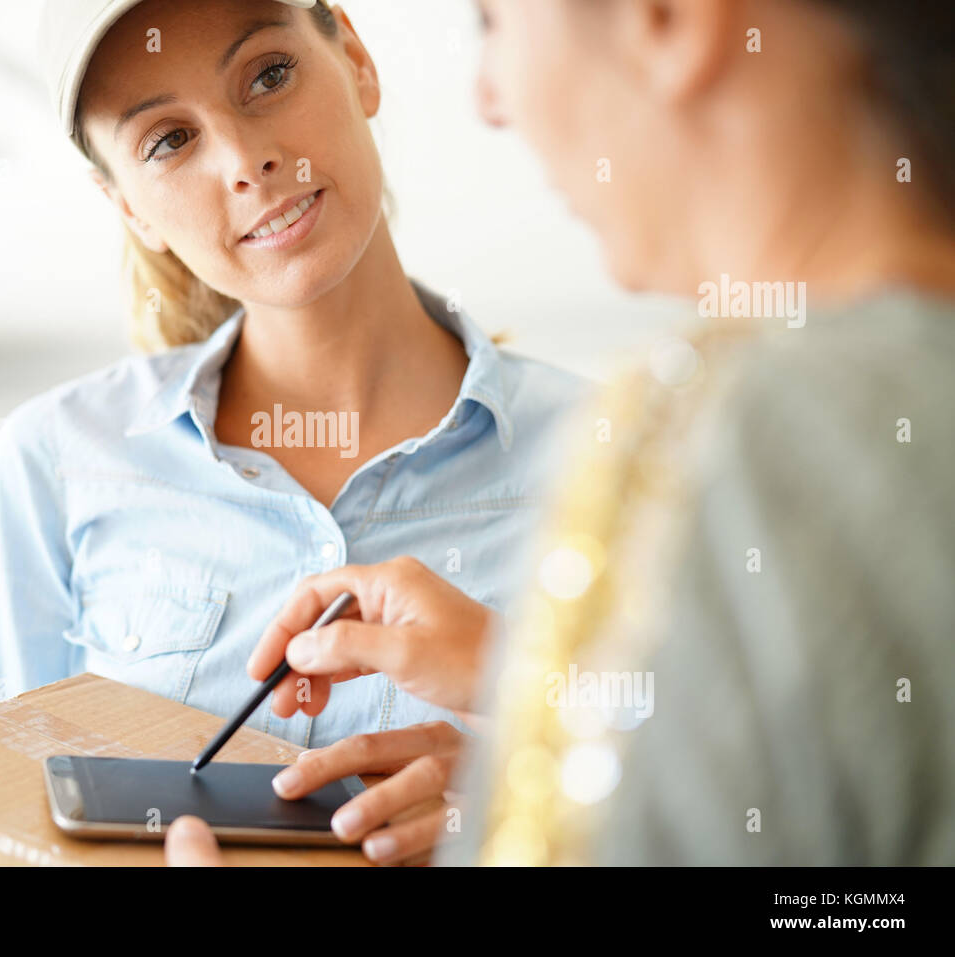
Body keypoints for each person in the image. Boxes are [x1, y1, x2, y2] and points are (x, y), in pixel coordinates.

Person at [165, 0, 955, 865]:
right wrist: (537, 686)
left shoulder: (720, 430)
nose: (489, 97)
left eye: (495, 21)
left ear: (670, 19)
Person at [0, 0, 586, 752]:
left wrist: (494, 801)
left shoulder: (618, 455)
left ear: (356, 62)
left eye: (270, 75)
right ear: (128, 208)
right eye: (170, 139)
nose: (246, 164)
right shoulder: (53, 456)